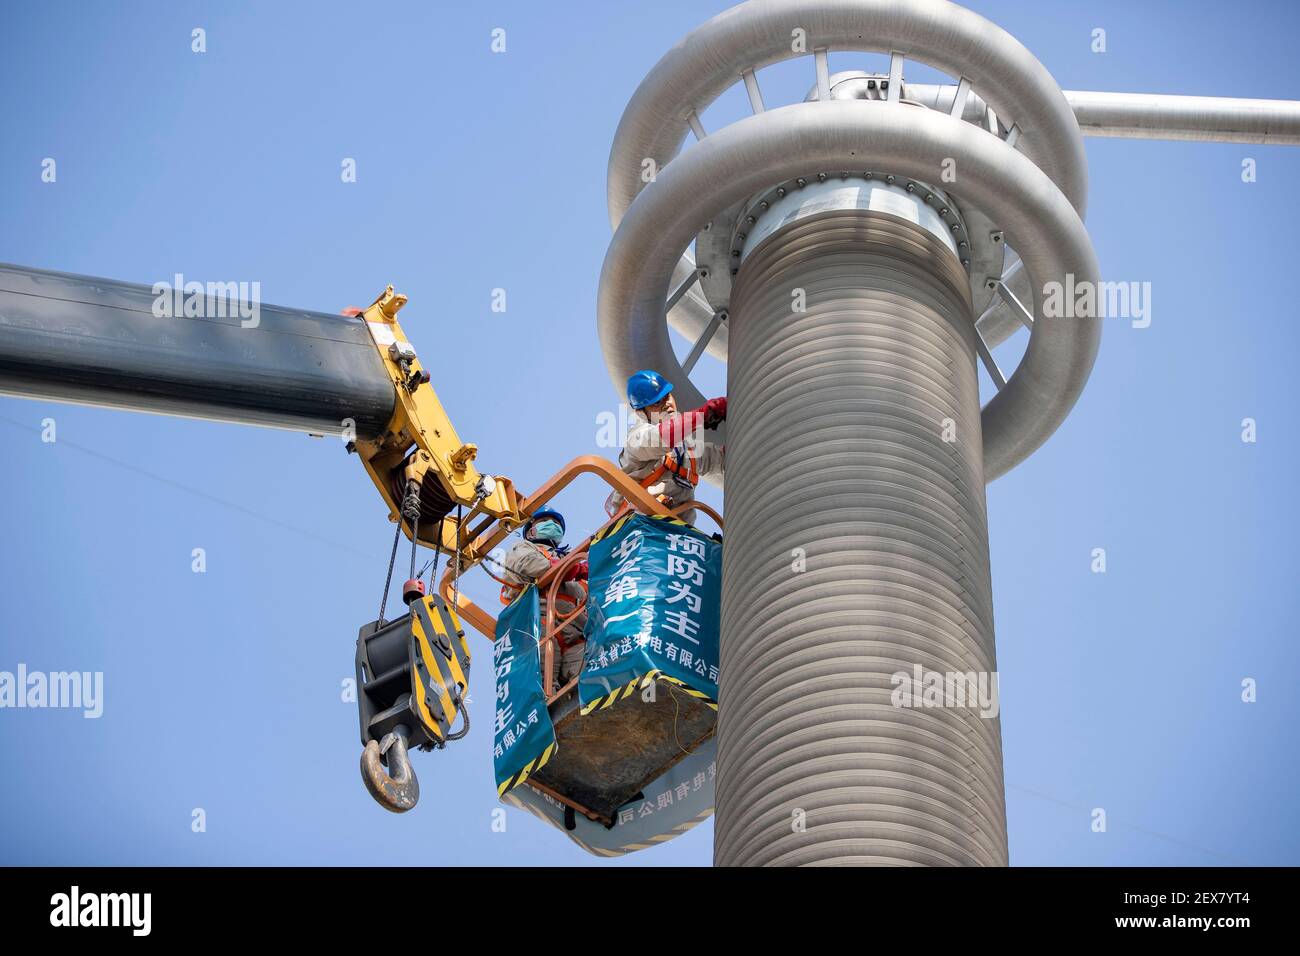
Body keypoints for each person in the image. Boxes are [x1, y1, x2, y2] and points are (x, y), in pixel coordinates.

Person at [609, 369, 725, 525]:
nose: (667, 404)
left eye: (667, 396)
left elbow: (724, 459)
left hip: (676, 535)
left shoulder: (687, 451)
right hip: (640, 526)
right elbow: (661, 438)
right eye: (657, 403)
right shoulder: (638, 437)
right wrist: (703, 415)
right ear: (642, 413)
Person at [500, 507, 587, 688]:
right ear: (531, 530)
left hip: (576, 633)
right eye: (545, 521)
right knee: (542, 687)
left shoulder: (573, 560)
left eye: (556, 523)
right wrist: (572, 568)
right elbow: (531, 566)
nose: (552, 525)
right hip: (540, 624)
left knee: (590, 676)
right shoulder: (523, 549)